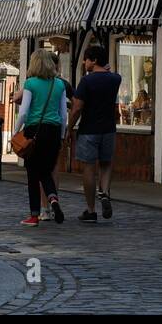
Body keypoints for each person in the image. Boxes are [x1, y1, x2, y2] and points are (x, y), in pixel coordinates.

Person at [68, 43, 120, 223]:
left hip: (89, 130)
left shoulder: (86, 81)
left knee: (89, 168)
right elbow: (110, 73)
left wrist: (69, 128)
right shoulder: (116, 79)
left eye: (86, 59)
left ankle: (90, 210)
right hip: (109, 129)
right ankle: (104, 193)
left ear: (94, 60)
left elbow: (77, 108)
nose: (84, 62)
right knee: (106, 164)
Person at [17, 48, 67, 227]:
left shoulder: (30, 83)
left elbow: (23, 112)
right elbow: (63, 114)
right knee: (46, 171)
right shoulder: (59, 84)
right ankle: (53, 199)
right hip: (53, 131)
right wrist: (62, 136)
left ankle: (33, 215)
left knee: (33, 174)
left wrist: (17, 132)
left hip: (34, 131)